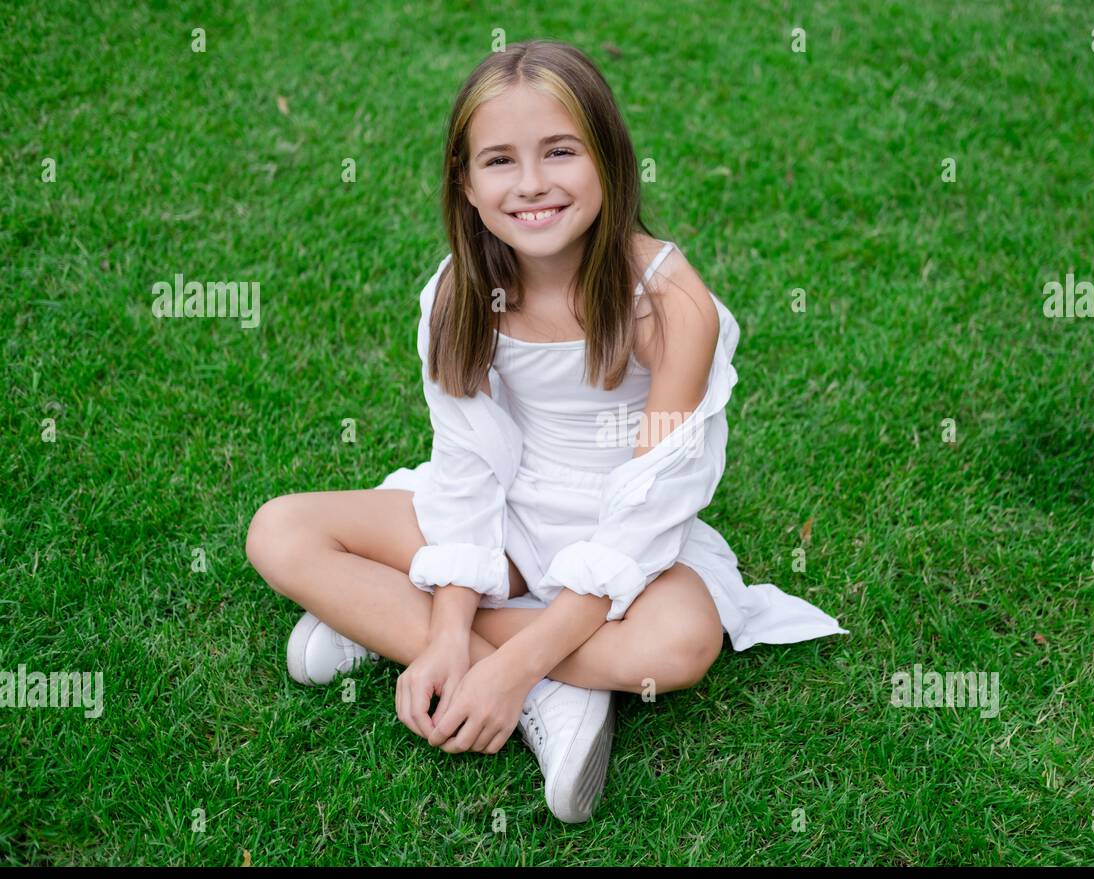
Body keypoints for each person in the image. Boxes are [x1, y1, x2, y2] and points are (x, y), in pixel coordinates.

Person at [245, 40, 846, 825]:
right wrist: (451, 624)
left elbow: (656, 497)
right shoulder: (460, 294)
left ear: (609, 159)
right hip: (508, 516)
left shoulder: (671, 305)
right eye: (499, 160)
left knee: (680, 647)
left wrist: (513, 664)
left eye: (559, 151)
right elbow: (466, 470)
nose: (531, 184)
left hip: (627, 530)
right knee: (280, 531)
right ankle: (523, 673)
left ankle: (406, 627)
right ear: (464, 182)